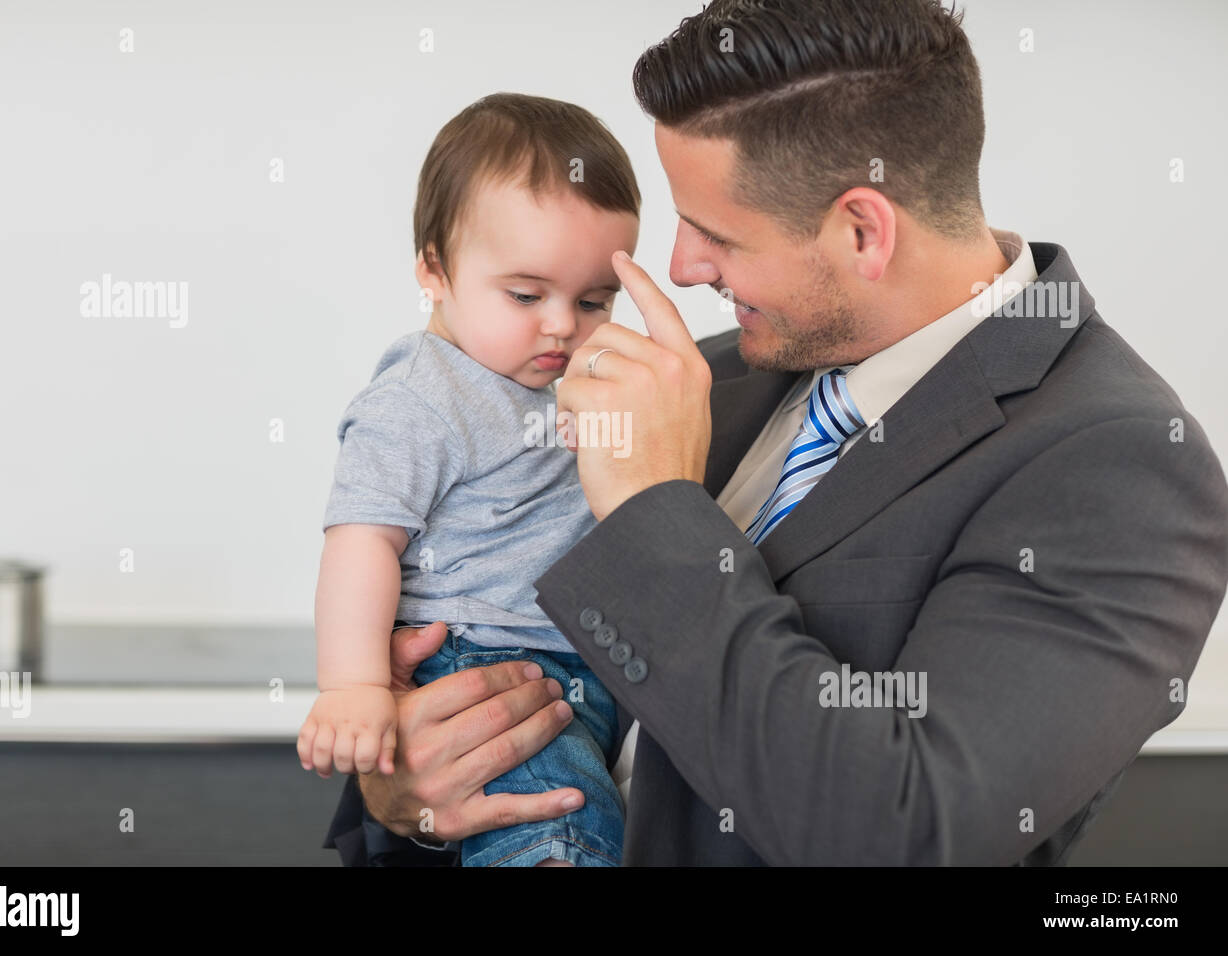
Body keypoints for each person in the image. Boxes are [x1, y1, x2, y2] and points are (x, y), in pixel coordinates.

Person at [324, 0, 1228, 866]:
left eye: (716, 232)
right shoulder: (702, 376)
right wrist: (406, 797)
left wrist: (654, 512)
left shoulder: (1126, 468)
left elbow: (906, 835)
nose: (680, 267)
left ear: (863, 231)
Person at [302, 92, 641, 866]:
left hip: (569, 665)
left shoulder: (560, 385)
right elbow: (360, 543)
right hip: (481, 658)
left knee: (571, 815)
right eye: (526, 295)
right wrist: (352, 685)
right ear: (434, 269)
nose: (562, 324)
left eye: (594, 299)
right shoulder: (422, 396)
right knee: (558, 827)